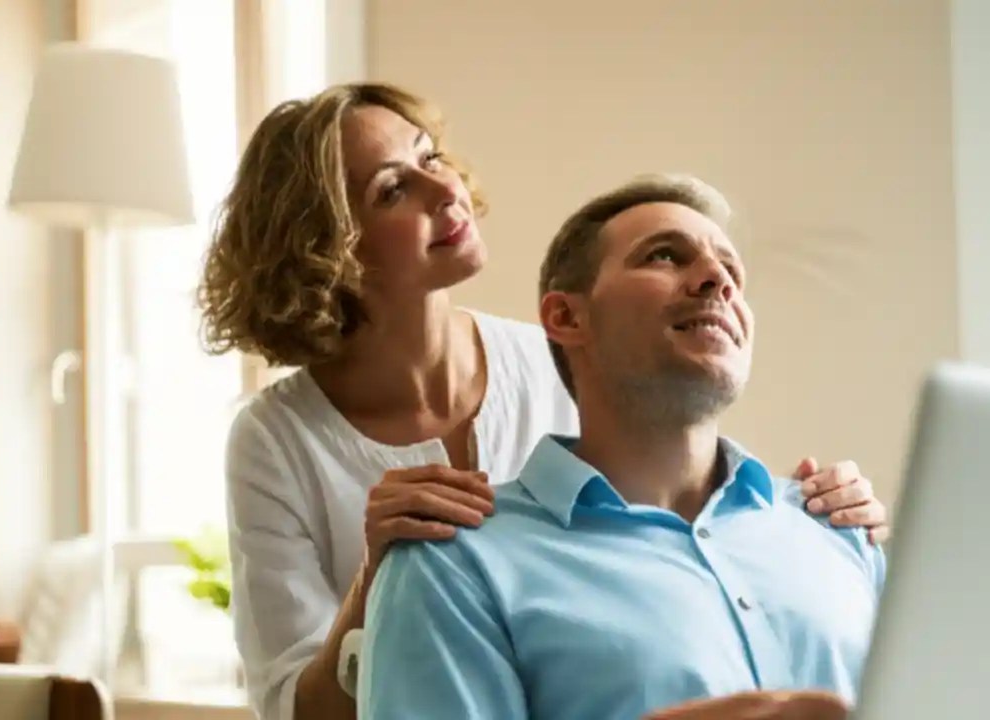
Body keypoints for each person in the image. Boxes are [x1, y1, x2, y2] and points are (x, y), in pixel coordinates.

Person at [198, 82, 890, 720]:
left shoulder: (563, 360)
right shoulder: (278, 441)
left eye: (432, 157)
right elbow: (292, 705)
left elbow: (678, 474)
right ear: (325, 248)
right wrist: (371, 585)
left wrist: (818, 524)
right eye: (391, 190)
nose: (445, 189)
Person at [358, 174, 886, 720]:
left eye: (732, 271)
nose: (717, 280)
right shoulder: (452, 566)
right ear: (566, 317)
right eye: (664, 256)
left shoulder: (842, 536)